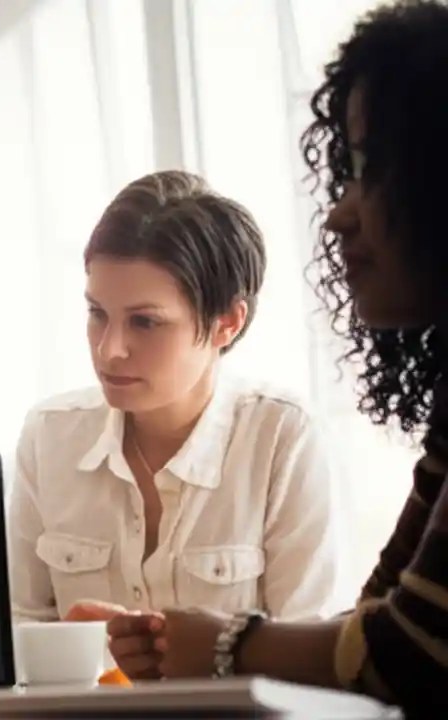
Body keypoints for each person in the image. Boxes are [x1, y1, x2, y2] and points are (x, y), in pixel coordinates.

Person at [104, 2, 448, 715]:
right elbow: (379, 612)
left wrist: (229, 644)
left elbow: (413, 650)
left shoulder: (284, 434)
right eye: (343, 173)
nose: (338, 213)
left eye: (373, 172)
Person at [9, 171, 339, 665]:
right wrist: (71, 651)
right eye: (97, 313)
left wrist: (209, 656)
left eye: (145, 322)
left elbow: (310, 666)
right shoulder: (49, 435)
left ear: (228, 322)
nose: (109, 349)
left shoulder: (280, 438)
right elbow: (16, 636)